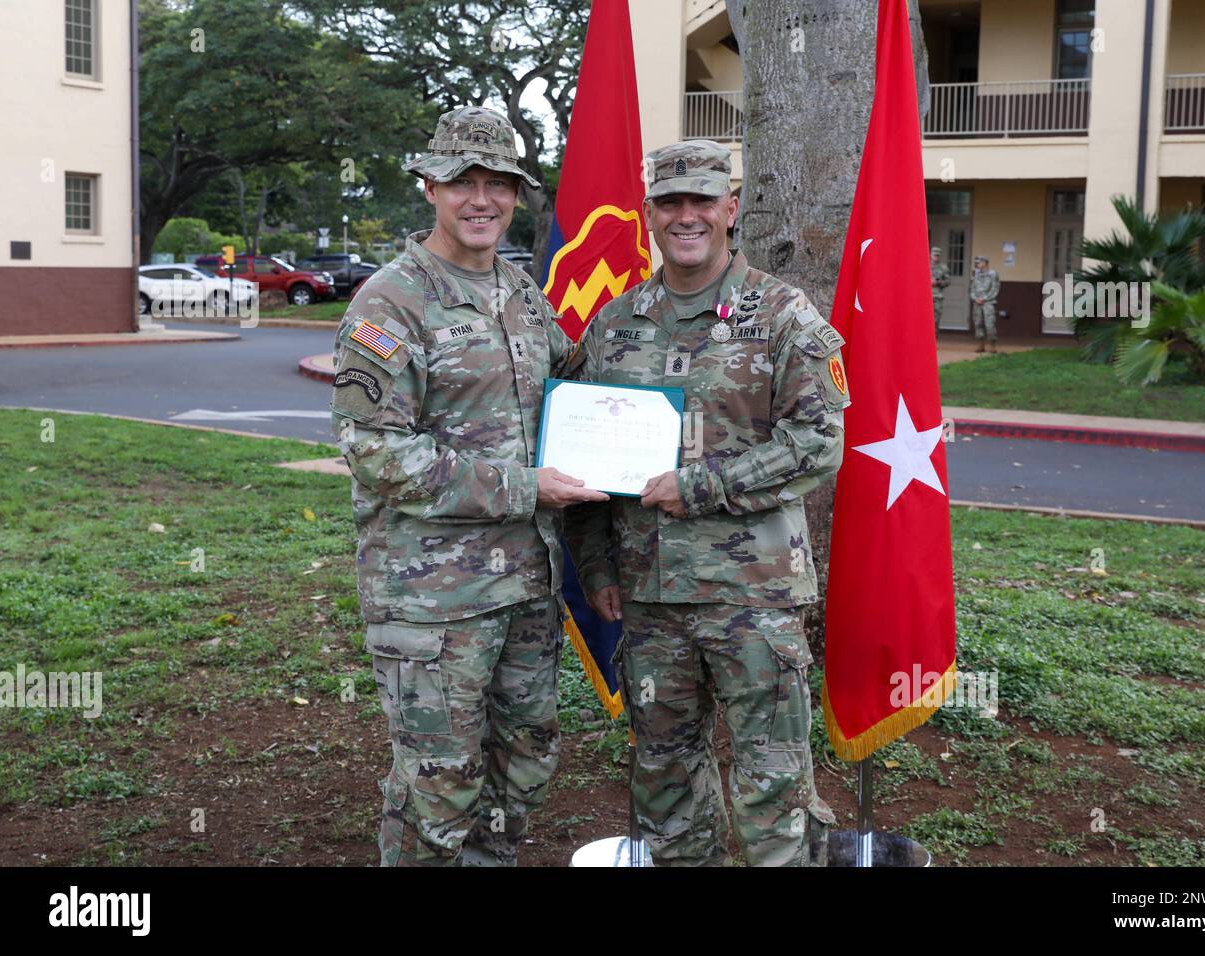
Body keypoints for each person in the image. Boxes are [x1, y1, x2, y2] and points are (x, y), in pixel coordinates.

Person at [329, 105, 607, 866]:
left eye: (498, 183)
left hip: (525, 590)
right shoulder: (391, 303)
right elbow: (376, 450)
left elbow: (575, 385)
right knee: (438, 789)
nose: (481, 199)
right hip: (433, 602)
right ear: (429, 186)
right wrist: (524, 488)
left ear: (517, 194)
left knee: (524, 768)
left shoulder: (520, 292)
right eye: (462, 182)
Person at [566, 139, 846, 866]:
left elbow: (819, 441)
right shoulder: (615, 324)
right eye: (670, 202)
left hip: (752, 597)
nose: (686, 216)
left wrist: (700, 485)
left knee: (772, 783)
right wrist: (595, 568)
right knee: (663, 778)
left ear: (730, 209)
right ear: (648, 213)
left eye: (701, 201)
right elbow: (582, 460)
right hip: (650, 599)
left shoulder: (782, 314)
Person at [969, 254, 1000, 353]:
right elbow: (972, 288)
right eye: (977, 263)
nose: (977, 264)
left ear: (985, 263)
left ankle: (992, 344)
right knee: (978, 323)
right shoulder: (976, 274)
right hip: (977, 302)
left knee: (989, 324)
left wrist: (984, 298)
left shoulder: (993, 274)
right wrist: (975, 298)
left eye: (979, 263)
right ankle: (980, 344)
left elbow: (995, 289)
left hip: (988, 303)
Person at [929, 245, 950, 331]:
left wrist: (938, 283)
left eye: (937, 255)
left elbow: (948, 281)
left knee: (936, 319)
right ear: (931, 255)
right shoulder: (924, 265)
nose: (936, 257)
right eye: (934, 255)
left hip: (938, 296)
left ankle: (934, 339)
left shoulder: (943, 267)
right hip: (925, 297)